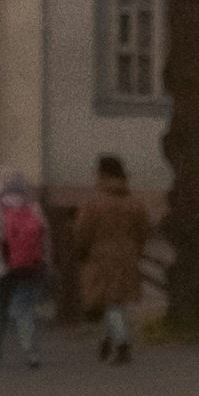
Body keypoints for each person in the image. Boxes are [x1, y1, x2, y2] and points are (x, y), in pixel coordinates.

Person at [0, 169, 53, 368]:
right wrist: (46, 263)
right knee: (24, 309)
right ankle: (32, 352)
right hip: (28, 268)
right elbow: (45, 237)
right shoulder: (33, 207)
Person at [75, 154, 153, 364]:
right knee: (117, 301)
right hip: (127, 256)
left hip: (101, 257)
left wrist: (82, 251)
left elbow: (83, 231)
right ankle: (111, 337)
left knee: (109, 301)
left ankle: (121, 343)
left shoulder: (94, 202)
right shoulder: (134, 202)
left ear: (102, 174)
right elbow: (145, 230)